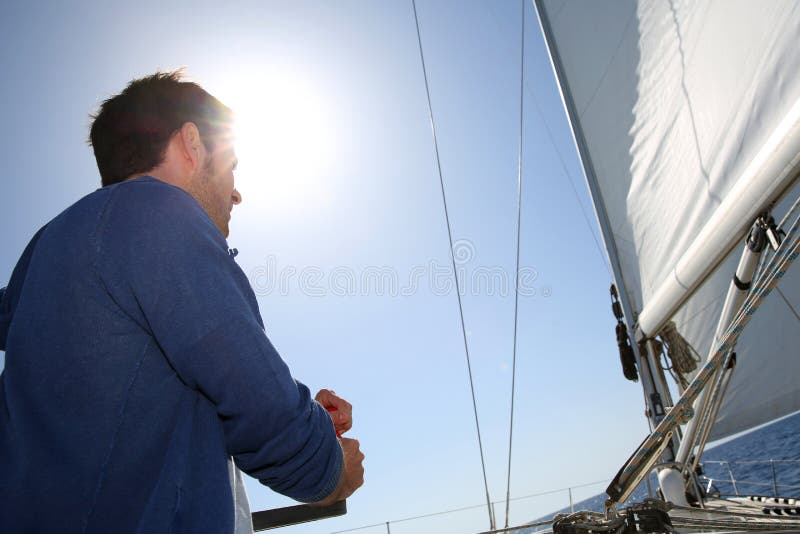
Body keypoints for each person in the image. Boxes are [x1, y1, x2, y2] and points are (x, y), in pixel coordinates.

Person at [0, 71, 364, 533]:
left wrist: (314, 417)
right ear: (192, 145)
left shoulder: (50, 246)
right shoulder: (157, 214)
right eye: (231, 163)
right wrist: (330, 469)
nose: (236, 191)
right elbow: (261, 407)